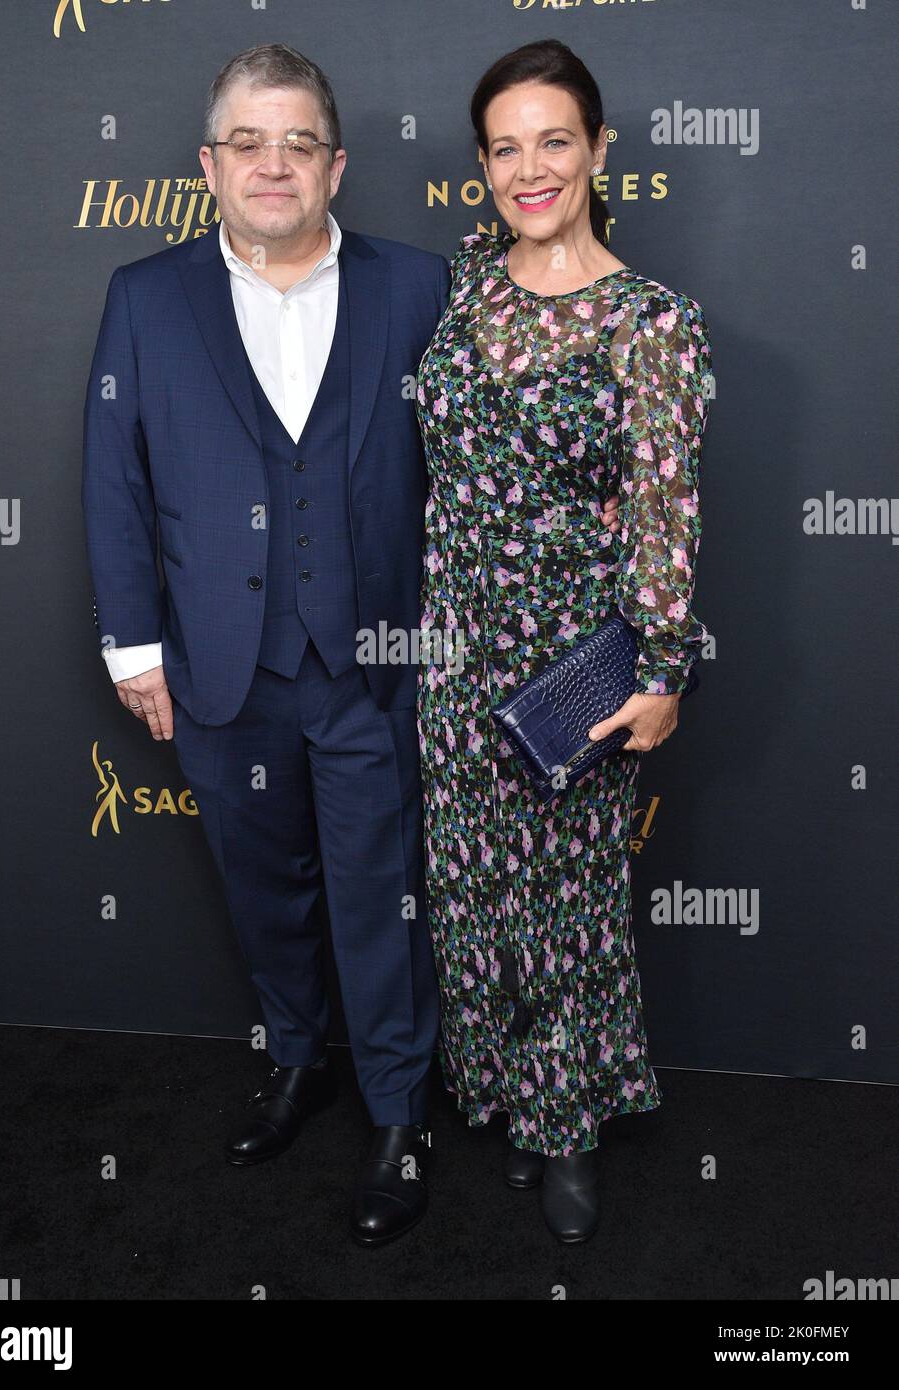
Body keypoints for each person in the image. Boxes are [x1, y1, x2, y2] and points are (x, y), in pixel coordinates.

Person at [81, 43, 451, 1248]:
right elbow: (114, 484)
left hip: (373, 671)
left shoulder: (420, 287)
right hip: (221, 673)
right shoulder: (146, 296)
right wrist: (136, 650)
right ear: (209, 165)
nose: (273, 163)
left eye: (298, 142)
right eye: (249, 141)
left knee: (380, 902)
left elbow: (469, 484)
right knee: (265, 894)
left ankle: (399, 1112)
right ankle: (296, 1062)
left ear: (337, 165)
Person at [414, 39, 713, 1243]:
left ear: (599, 150)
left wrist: (663, 674)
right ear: (480, 164)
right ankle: (493, 1088)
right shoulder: (472, 279)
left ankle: (566, 1126)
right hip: (449, 654)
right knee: (474, 894)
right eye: (503, 146)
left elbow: (664, 512)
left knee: (567, 905)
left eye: (553, 140)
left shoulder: (652, 324)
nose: (528, 167)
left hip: (563, 670)